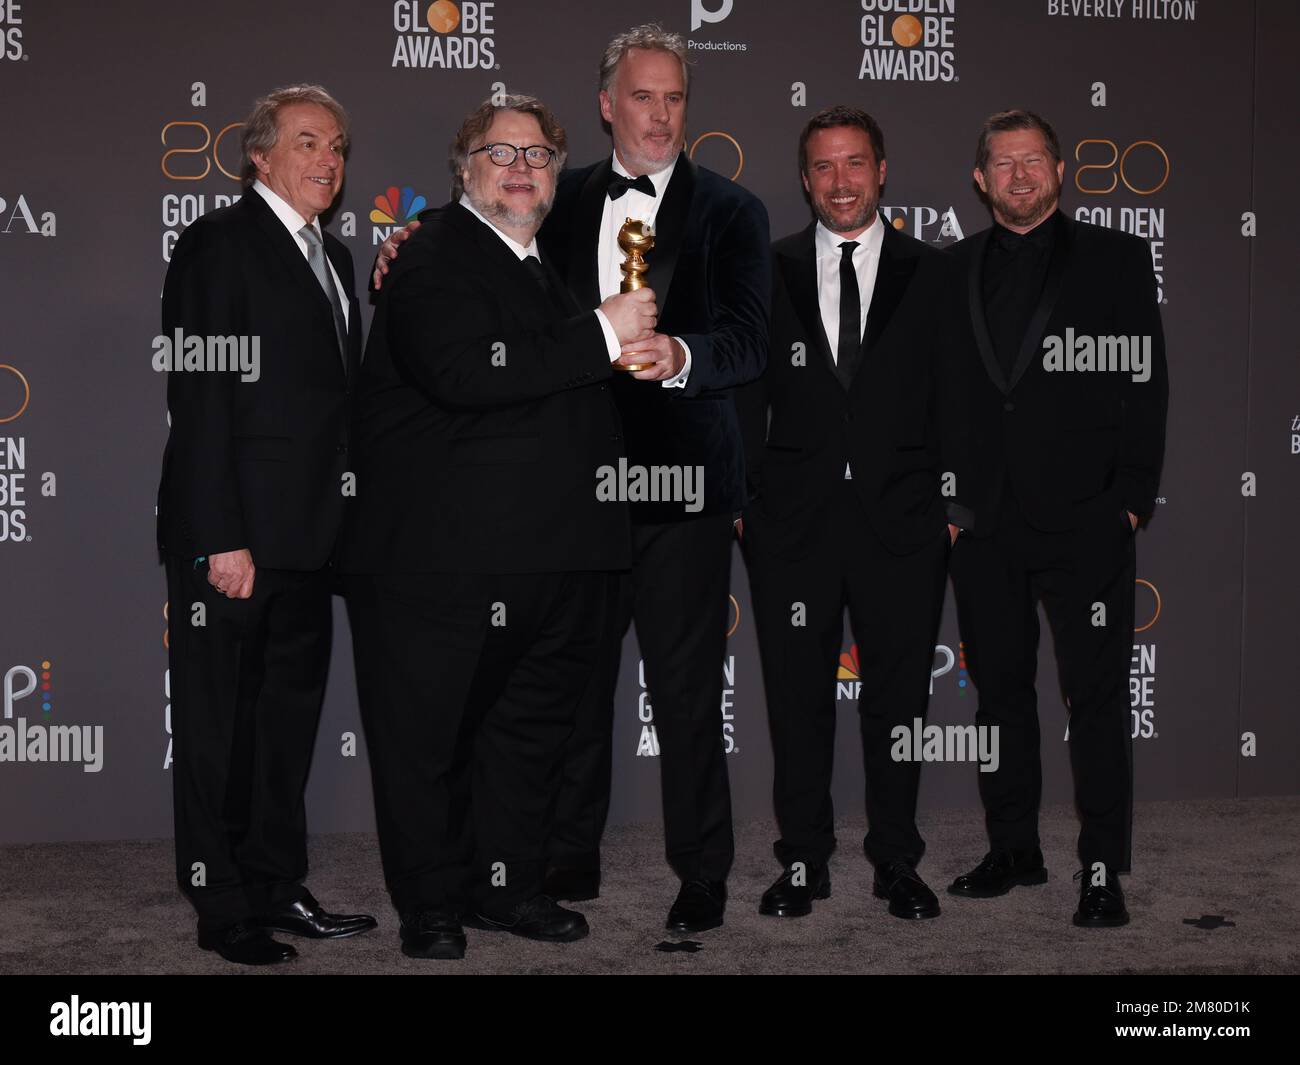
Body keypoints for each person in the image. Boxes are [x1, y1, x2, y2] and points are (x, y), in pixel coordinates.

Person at [341, 95, 653, 959]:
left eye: (540, 155)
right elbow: (468, 373)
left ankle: (504, 887)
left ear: (557, 173)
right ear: (464, 168)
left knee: (522, 736)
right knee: (426, 739)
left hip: (540, 559)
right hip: (437, 563)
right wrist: (600, 331)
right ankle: (431, 904)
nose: (521, 167)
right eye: (500, 152)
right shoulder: (432, 252)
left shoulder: (533, 262)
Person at [538, 23, 770, 934]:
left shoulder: (732, 210)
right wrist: (406, 246)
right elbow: (489, 269)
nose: (661, 113)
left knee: (685, 690)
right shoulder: (554, 202)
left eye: (674, 96)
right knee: (575, 681)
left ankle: (702, 869)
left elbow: (750, 342)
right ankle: (565, 856)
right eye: (643, 95)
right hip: (578, 483)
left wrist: (680, 352)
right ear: (607, 105)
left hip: (685, 490)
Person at [157, 84, 375, 966]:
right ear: (260, 155)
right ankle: (223, 905)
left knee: (284, 728)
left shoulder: (337, 258)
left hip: (311, 539)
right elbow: (198, 394)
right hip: (236, 541)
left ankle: (278, 883)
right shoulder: (217, 244)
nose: (329, 160)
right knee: (221, 731)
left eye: (338, 146)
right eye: (309, 142)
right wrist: (220, 536)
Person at [942, 109, 1168, 927]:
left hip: (1086, 522)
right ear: (980, 179)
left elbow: (1145, 379)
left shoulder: (1115, 258)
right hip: (985, 526)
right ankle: (1015, 848)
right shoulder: (951, 269)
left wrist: (1131, 498)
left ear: (1062, 170)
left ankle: (1101, 866)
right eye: (1003, 164)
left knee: (1096, 698)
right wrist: (949, 503)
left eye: (1034, 160)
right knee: (999, 697)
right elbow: (942, 398)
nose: (1020, 174)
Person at [737, 106, 955, 922]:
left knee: (900, 700)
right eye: (824, 167)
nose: (840, 182)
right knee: (797, 699)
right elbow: (740, 395)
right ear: (804, 178)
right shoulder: (768, 269)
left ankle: (896, 858)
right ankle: (803, 860)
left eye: (854, 164)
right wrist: (743, 500)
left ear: (882, 169)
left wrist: (951, 502)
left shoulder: (932, 273)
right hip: (791, 523)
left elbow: (956, 397)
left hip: (903, 523)